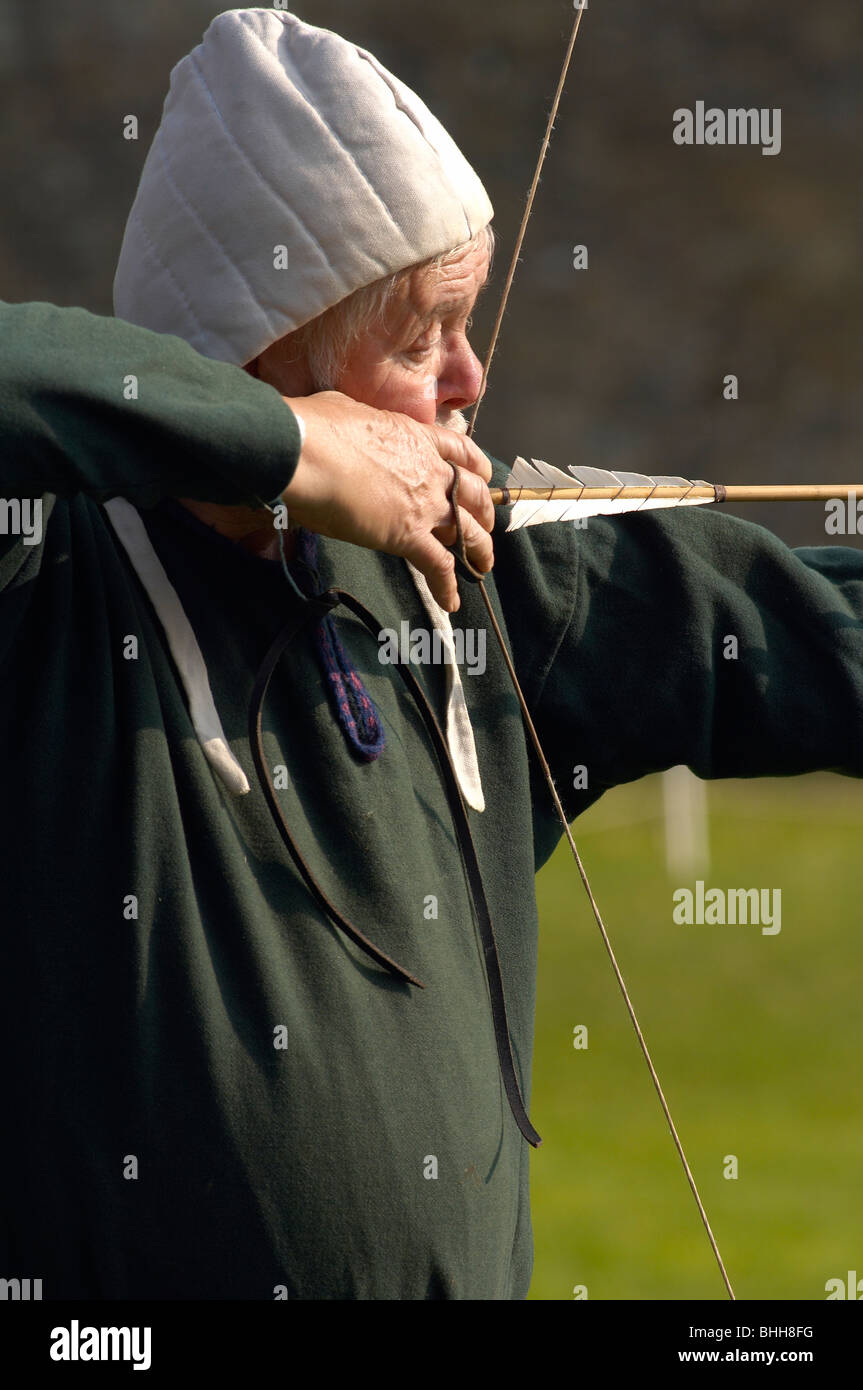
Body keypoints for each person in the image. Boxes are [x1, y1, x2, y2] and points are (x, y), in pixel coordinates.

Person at [3, 9, 863, 1301]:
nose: (471, 378)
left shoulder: (480, 580)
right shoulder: (50, 583)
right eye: (417, 340)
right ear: (273, 359)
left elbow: (813, 625)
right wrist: (293, 455)